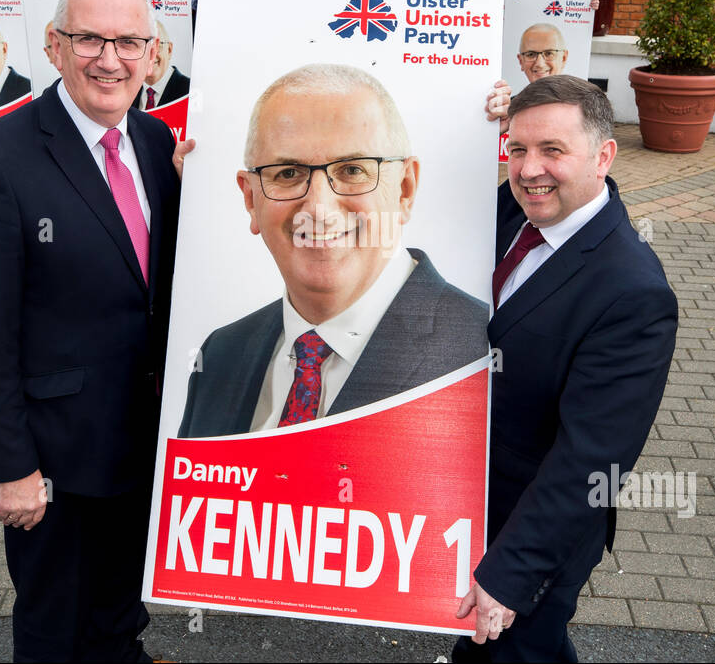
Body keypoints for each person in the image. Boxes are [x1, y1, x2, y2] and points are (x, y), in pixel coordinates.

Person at [0, 0, 185, 663]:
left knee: (118, 613)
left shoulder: (160, 147)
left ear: (152, 51)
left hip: (142, 446)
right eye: (89, 40)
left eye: (129, 42)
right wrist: (11, 466)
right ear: (53, 45)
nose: (110, 60)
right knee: (54, 629)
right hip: (56, 465)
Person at [453, 74, 677, 662]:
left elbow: (591, 455)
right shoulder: (510, 208)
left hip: (534, 524)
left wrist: (510, 572)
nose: (529, 170)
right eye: (518, 149)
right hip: (458, 496)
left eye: (553, 150)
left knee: (520, 653)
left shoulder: (632, 291)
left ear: (603, 156)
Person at [176, 63, 488, 439]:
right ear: (249, 198)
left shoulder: (484, 349)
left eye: (353, 170)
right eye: (287, 173)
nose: (319, 209)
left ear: (405, 189)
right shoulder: (221, 353)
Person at [135, 20, 189, 111]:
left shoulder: (190, 91)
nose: (150, 55)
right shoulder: (128, 91)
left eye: (157, 47)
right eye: (142, 47)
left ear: (169, 49)